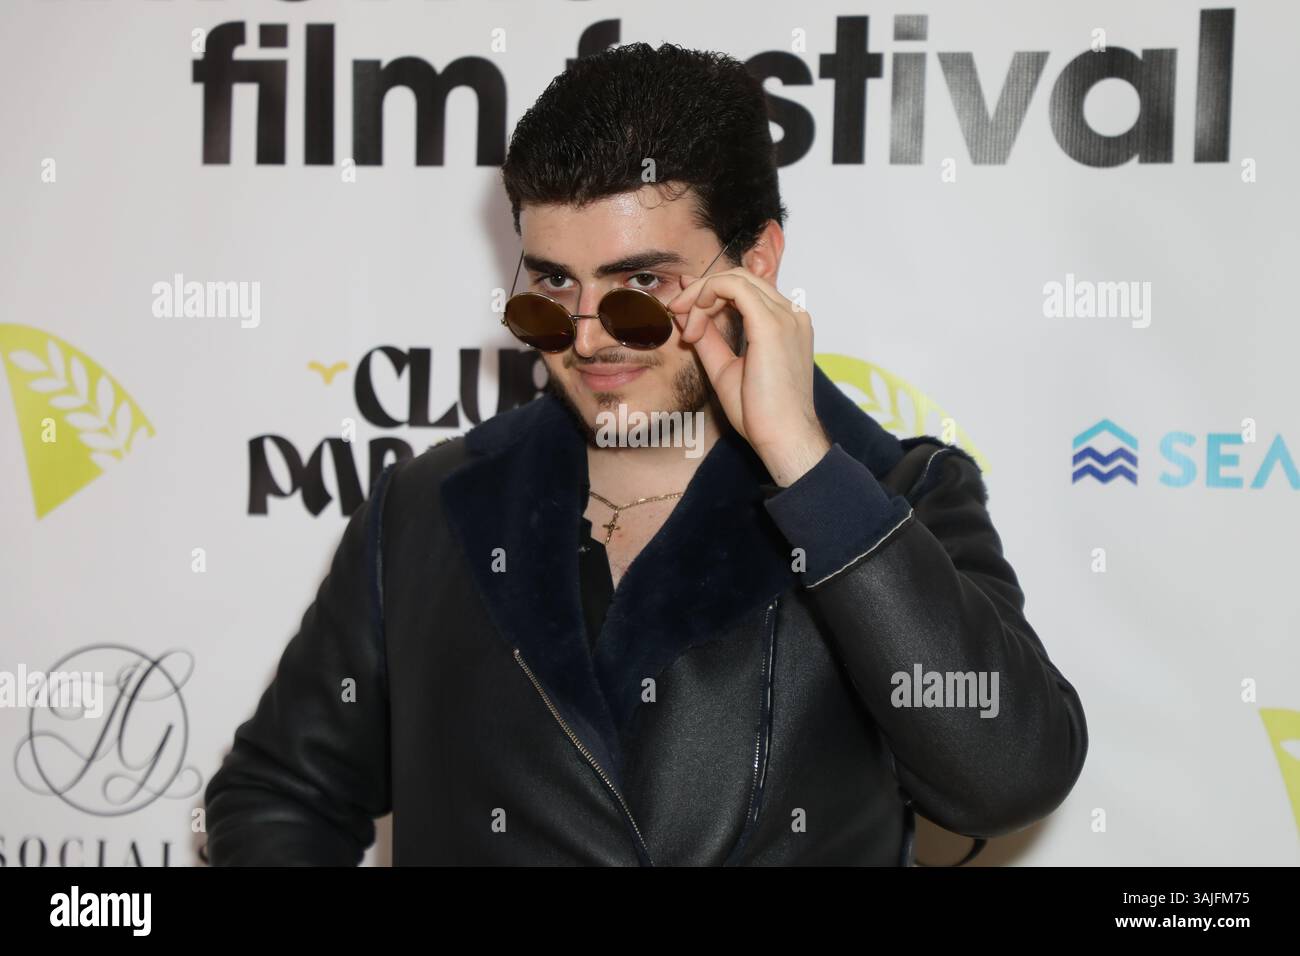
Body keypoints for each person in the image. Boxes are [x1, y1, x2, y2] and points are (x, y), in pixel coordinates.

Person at [203, 42, 1087, 866]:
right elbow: (280, 794)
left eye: (642, 288)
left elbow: (1006, 777)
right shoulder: (427, 508)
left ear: (759, 262)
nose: (587, 340)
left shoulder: (893, 496)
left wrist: (806, 467)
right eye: (552, 287)